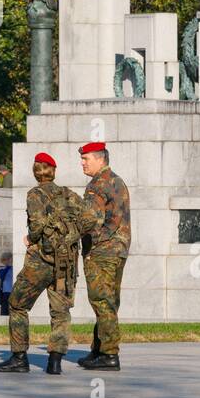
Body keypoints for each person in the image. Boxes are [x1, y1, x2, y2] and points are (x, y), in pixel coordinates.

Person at [0, 153, 91, 375]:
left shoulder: (34, 194)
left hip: (40, 262)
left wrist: (31, 238)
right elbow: (92, 218)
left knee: (17, 304)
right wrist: (72, 235)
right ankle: (55, 361)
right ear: (53, 171)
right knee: (60, 312)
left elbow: (36, 225)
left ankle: (19, 358)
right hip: (65, 263)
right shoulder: (69, 195)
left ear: (35, 171)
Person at [76, 141, 131, 371]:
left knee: (102, 302)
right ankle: (98, 350)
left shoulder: (97, 185)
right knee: (109, 301)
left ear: (100, 159)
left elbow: (88, 220)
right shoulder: (117, 181)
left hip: (101, 250)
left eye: (86, 158)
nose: (82, 163)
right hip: (118, 250)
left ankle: (109, 355)